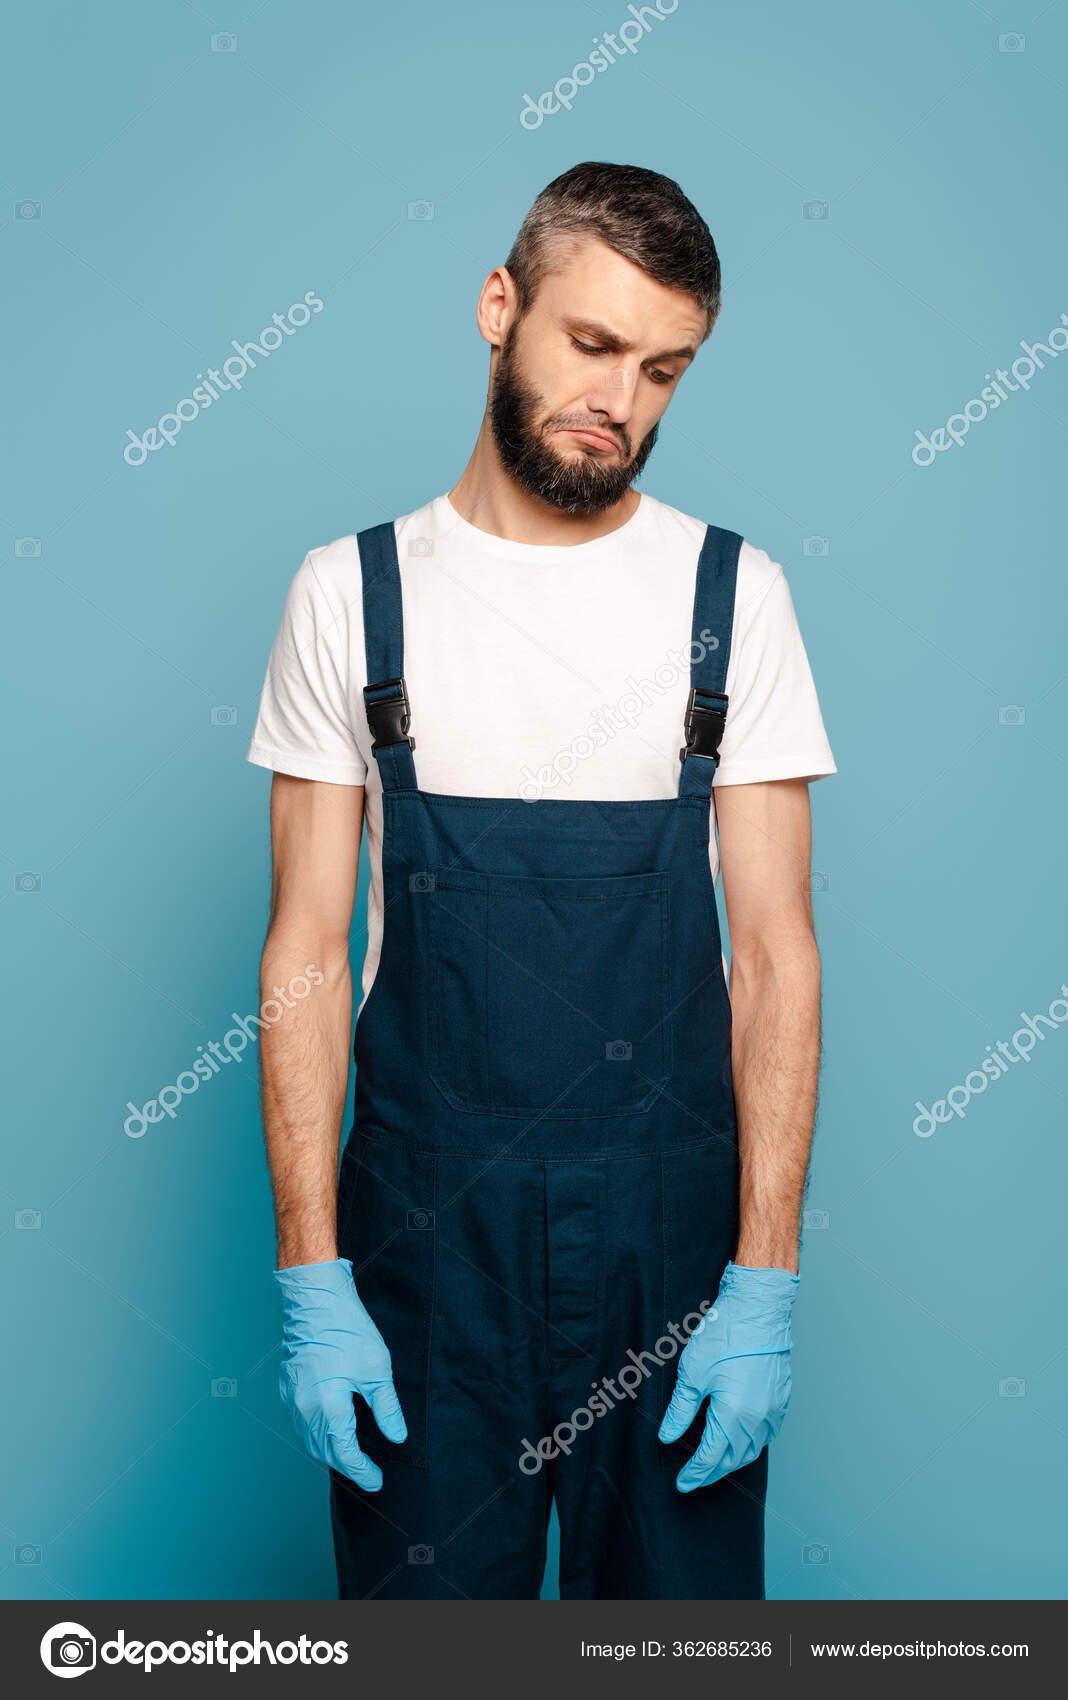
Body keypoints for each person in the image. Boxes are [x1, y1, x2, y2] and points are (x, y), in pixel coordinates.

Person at [248, 161, 836, 1601]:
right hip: (430, 1266)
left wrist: (763, 1282)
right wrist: (313, 1277)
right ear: (499, 307)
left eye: (662, 370)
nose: (620, 401)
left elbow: (774, 958)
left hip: (673, 1267)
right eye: (591, 346)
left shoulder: (731, 596)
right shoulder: (353, 592)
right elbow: (306, 955)